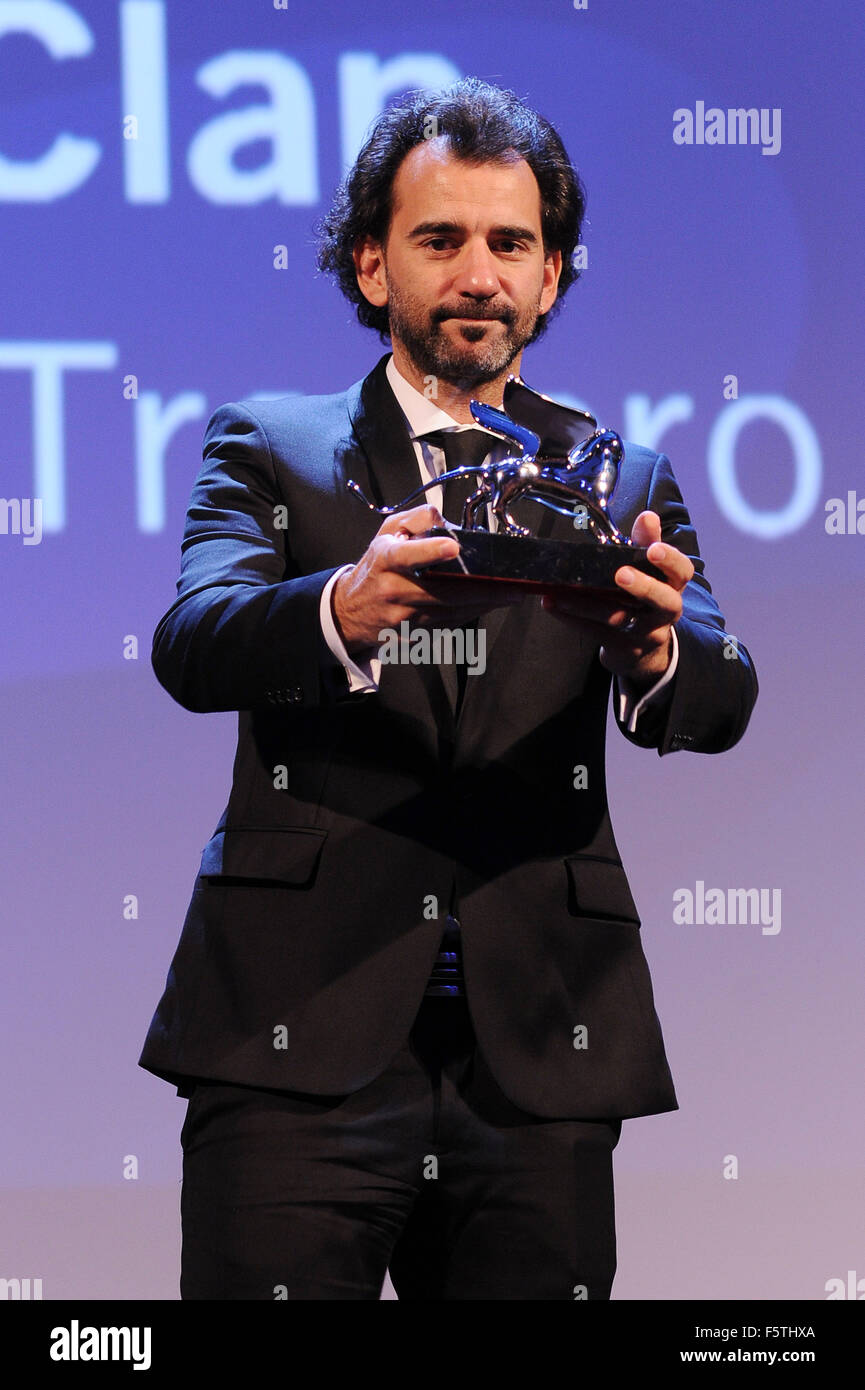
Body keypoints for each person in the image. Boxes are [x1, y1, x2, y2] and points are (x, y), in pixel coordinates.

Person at [139, 78, 758, 1300]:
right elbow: (192, 641)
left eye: (509, 244)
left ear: (550, 274)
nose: (478, 274)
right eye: (441, 240)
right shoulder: (269, 445)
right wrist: (341, 608)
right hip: (292, 1040)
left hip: (538, 1051)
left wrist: (653, 656)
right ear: (373, 267)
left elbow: (724, 693)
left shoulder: (620, 471)